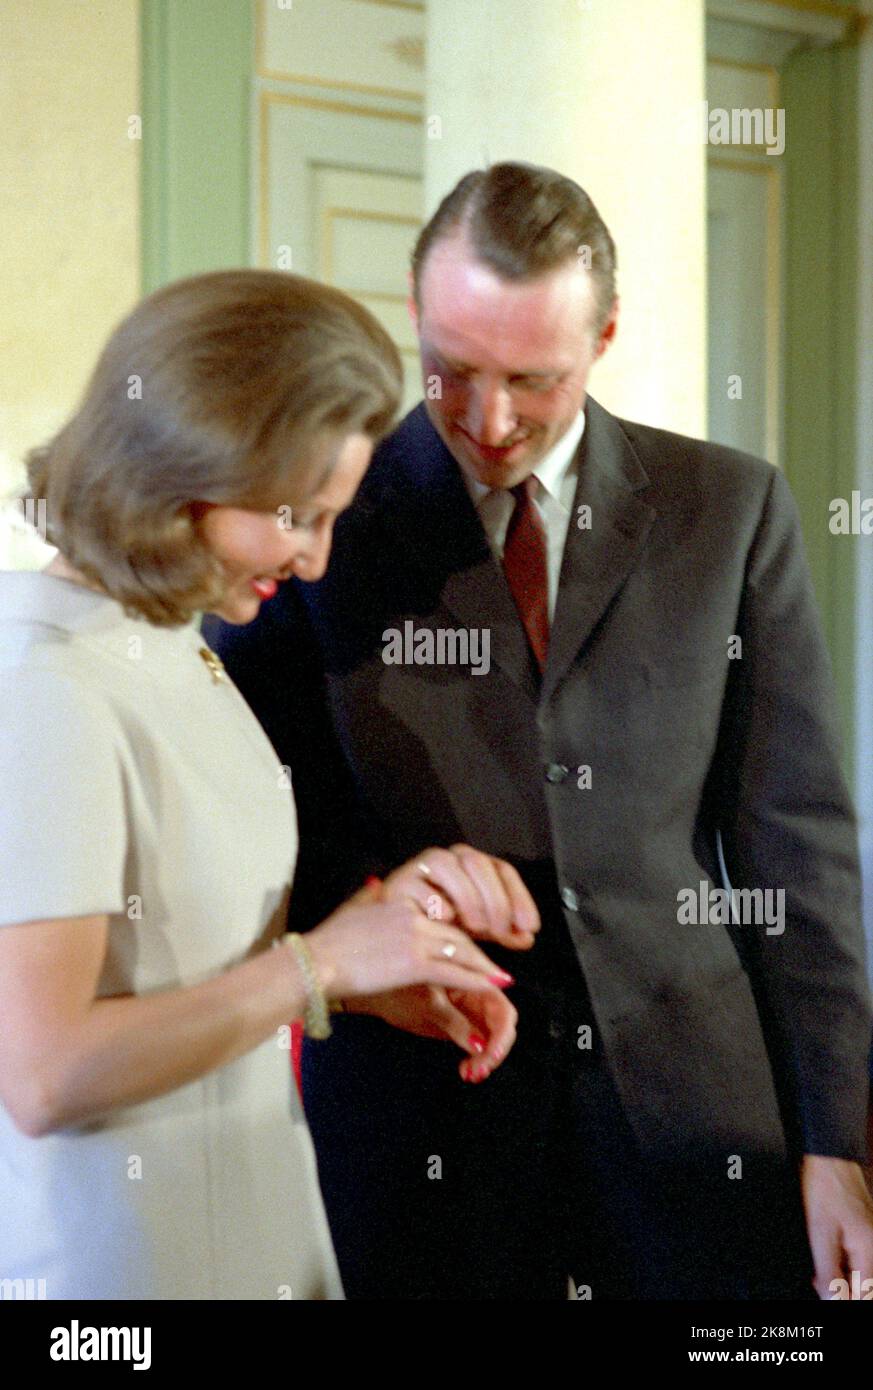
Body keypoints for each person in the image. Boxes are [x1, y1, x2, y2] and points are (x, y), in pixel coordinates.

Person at [211, 164, 873, 1301]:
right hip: (421, 1105)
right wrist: (381, 914)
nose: (490, 420)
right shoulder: (318, 520)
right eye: (451, 370)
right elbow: (250, 816)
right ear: (413, 315)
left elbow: (793, 846)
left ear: (605, 335)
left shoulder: (730, 507)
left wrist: (838, 1141)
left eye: (535, 379)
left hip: (696, 1117)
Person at [0, 268, 540, 1301]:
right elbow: (44, 1070)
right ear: (186, 470)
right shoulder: (44, 686)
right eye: (300, 517)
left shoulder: (169, 651)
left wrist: (369, 973)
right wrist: (318, 966)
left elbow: (186, 956)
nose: (315, 558)